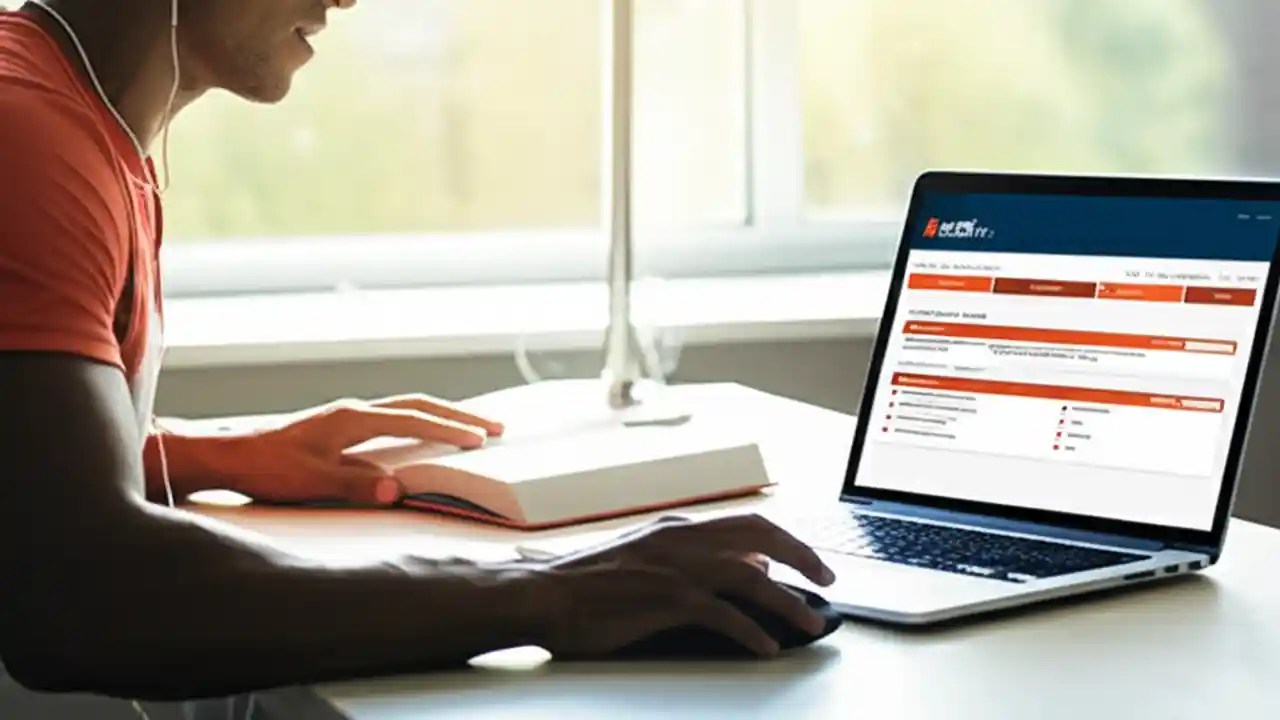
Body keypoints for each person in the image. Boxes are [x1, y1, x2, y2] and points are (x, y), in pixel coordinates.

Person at [0, 0, 837, 711]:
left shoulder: (69, 108)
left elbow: (29, 480)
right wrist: (555, 591)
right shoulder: (29, 135)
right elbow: (77, 595)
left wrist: (217, 453)